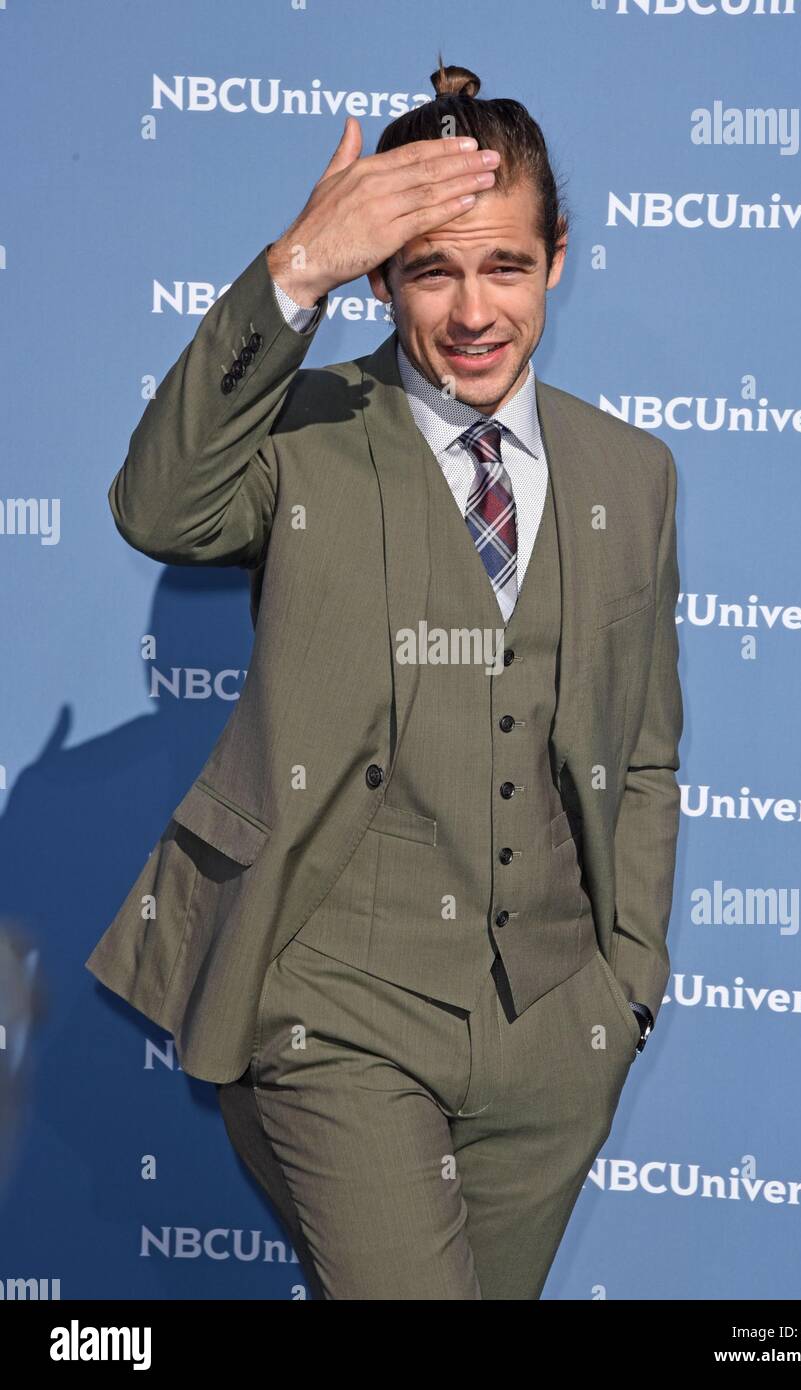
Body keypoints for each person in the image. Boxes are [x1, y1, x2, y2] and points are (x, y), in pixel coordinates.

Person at [85, 56, 684, 1300]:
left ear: (557, 258)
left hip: (553, 1033)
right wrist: (291, 267)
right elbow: (157, 506)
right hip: (333, 1011)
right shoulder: (300, 432)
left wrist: (623, 986)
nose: (472, 312)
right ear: (379, 276)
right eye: (430, 268)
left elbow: (643, 752)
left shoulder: (633, 475)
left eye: (504, 265)